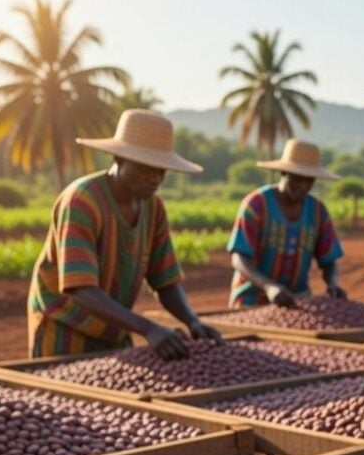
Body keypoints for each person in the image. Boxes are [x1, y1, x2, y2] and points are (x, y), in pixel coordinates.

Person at [28, 109, 221, 358]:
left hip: (114, 328)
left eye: (161, 171)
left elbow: (165, 281)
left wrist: (192, 321)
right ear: (119, 159)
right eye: (145, 168)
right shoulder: (83, 201)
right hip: (66, 327)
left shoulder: (153, 207)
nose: (154, 179)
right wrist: (148, 328)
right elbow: (80, 289)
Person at [228, 139, 345, 308]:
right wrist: (269, 286)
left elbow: (329, 261)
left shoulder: (318, 211)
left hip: (297, 302)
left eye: (309, 181)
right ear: (283, 172)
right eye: (297, 179)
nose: (303, 186)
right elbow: (239, 258)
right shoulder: (256, 205)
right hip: (252, 299)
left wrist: (332, 283)